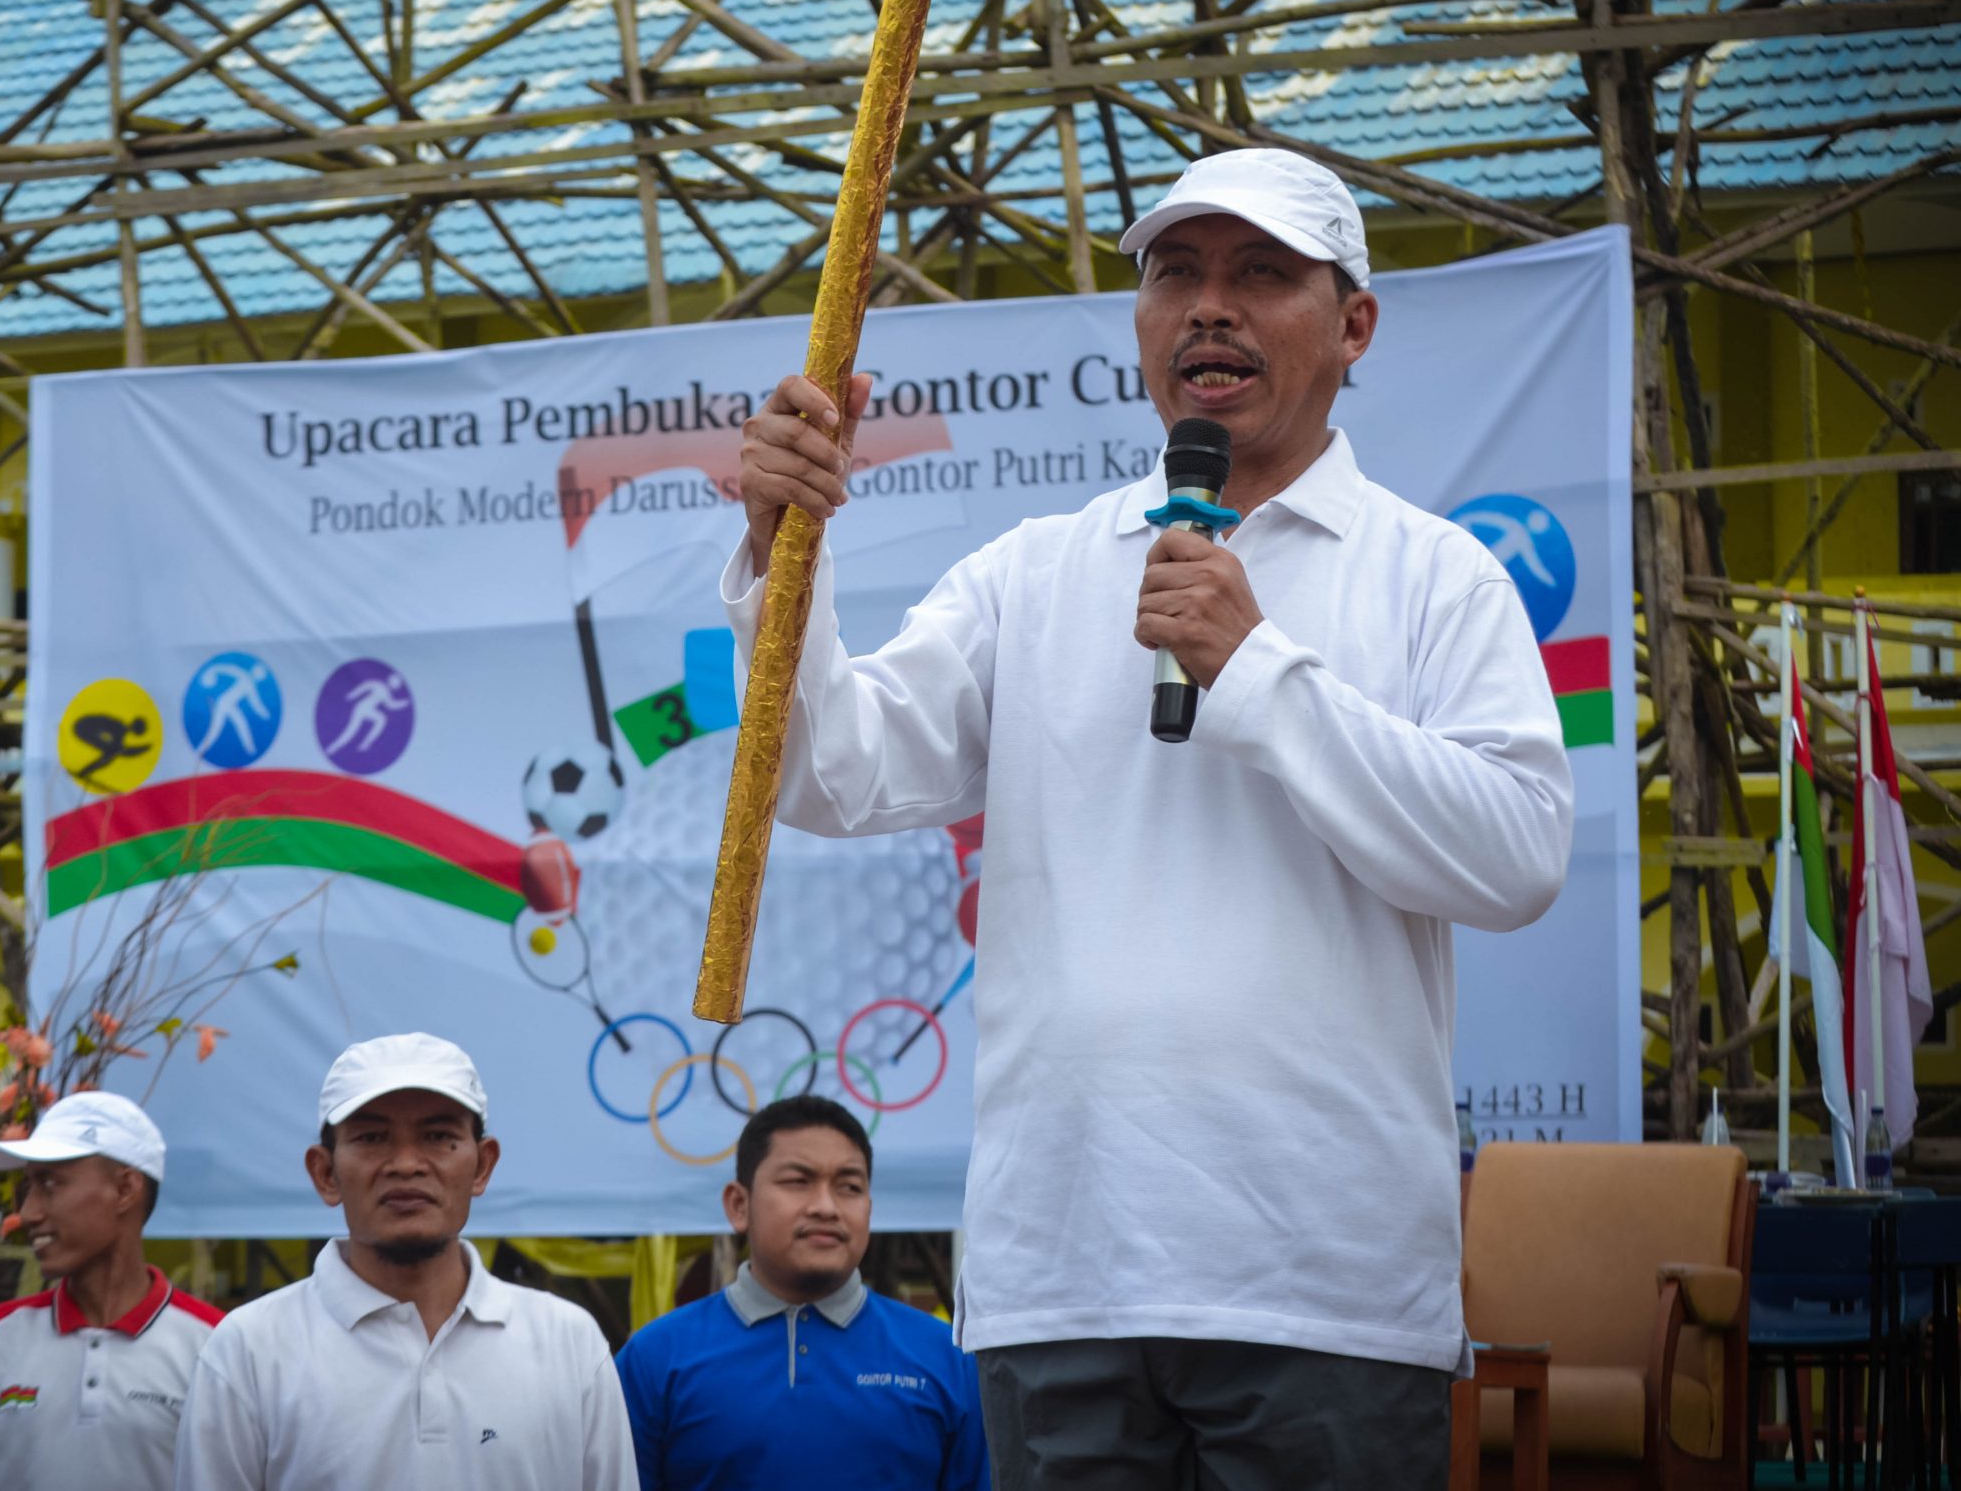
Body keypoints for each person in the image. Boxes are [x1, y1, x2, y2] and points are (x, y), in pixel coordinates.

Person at [726, 148, 1574, 1488]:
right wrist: (787, 564)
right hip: (1063, 1275)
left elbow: (1520, 850)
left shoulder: (1436, 575)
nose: (1208, 308)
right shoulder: (1037, 571)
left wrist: (1261, 671)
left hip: (1324, 1292)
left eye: (1261, 274)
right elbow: (832, 773)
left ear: (1355, 323)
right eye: (1174, 273)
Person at [174, 1032, 638, 1490]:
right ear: (324, 1172)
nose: (406, 1164)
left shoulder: (567, 1343)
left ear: (481, 1166)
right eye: (373, 1137)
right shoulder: (249, 1350)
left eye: (438, 1136)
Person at [616, 1096, 988, 1491]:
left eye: (849, 1186)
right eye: (798, 1181)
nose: (826, 1207)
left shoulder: (946, 1358)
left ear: (869, 1208)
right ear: (739, 1205)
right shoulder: (655, 1359)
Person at [0, 1090, 221, 1491]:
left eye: (50, 1183)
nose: (28, 1212)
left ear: (125, 1190)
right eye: (28, 1187)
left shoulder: (218, 1348)